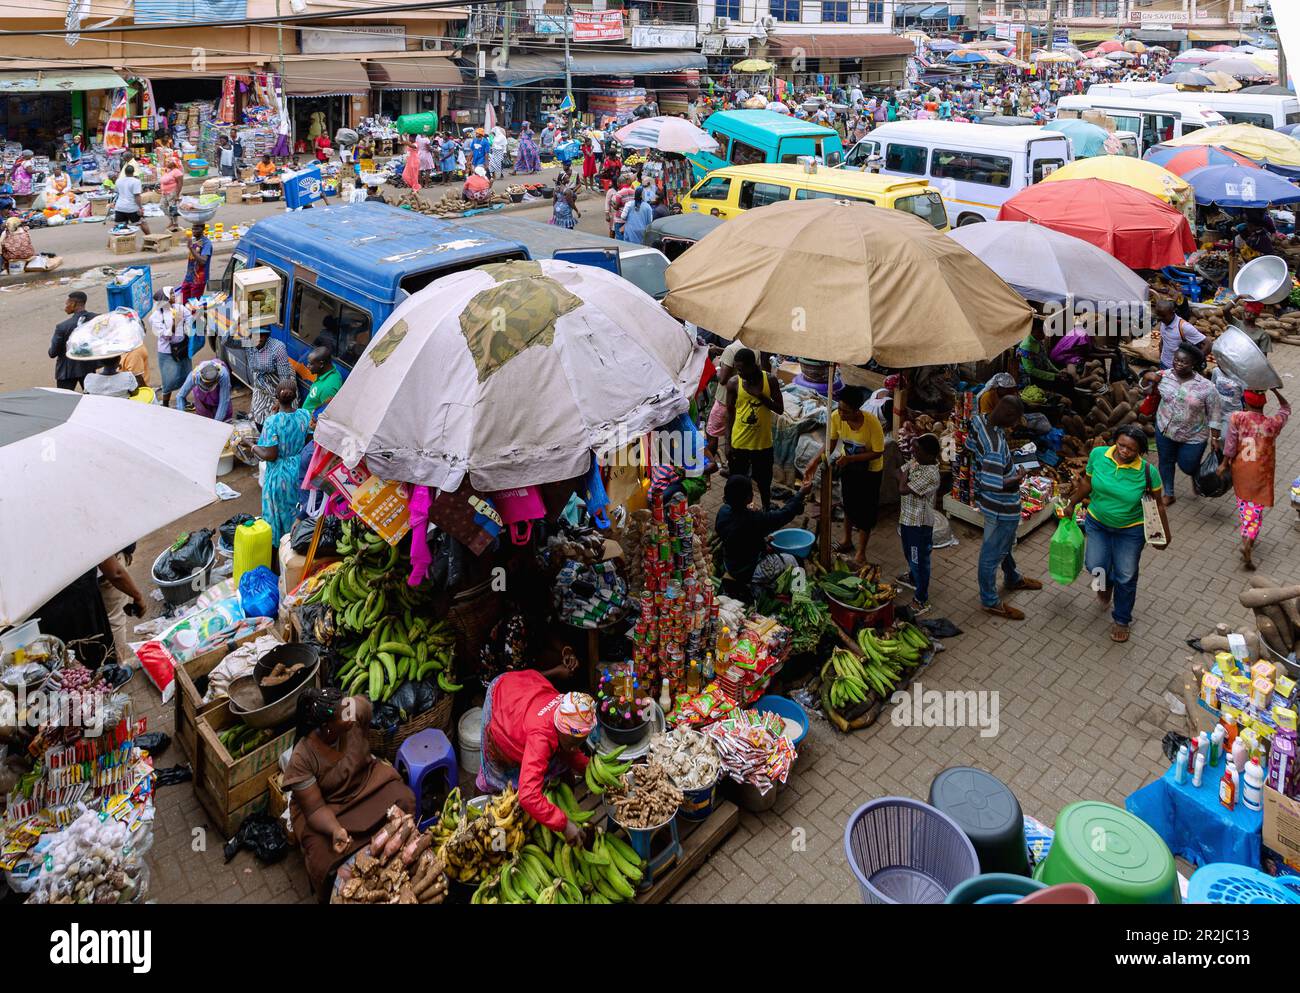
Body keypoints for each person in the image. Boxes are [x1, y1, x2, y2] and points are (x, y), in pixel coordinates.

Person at [282, 688, 416, 898]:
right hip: (329, 808)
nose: (350, 713)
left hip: (366, 783)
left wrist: (354, 704)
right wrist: (335, 830)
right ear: (326, 727)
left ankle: (397, 863)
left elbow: (364, 706)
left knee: (404, 799)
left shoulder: (353, 712)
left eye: (348, 706)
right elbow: (315, 808)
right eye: (344, 714)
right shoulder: (302, 758)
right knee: (324, 859)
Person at [1063, 425, 1171, 643]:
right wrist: (1072, 503)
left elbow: (1158, 505)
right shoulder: (1097, 455)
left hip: (1131, 530)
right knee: (1094, 566)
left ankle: (1122, 619)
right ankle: (1105, 584)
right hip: (1097, 522)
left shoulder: (1148, 473)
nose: (1124, 451)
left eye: (1131, 449)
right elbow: (1088, 483)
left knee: (1126, 574)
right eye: (1121, 445)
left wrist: (1165, 536)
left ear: (1140, 451)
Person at [477, 670, 595, 845]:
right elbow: (528, 795)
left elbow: (570, 751)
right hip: (502, 702)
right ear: (559, 729)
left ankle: (552, 813)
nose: (575, 748)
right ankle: (480, 820)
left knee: (561, 759)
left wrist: (590, 770)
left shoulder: (567, 708)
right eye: (573, 742)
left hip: (522, 691)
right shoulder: (541, 737)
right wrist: (563, 825)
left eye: (580, 742)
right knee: (495, 775)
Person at [969, 396, 1041, 620]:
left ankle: (1012, 578)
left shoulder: (979, 420)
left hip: (992, 502)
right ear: (1008, 416)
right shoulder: (994, 446)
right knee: (991, 554)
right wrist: (1018, 477)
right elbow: (995, 483)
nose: (1015, 425)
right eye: (1015, 420)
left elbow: (969, 447)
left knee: (1004, 544)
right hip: (1000, 506)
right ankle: (990, 601)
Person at [805, 385, 885, 564]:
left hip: (870, 471)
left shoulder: (872, 424)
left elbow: (878, 452)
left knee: (865, 511)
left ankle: (862, 552)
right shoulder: (836, 417)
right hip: (849, 467)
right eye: (839, 408)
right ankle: (847, 539)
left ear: (857, 410)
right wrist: (813, 462)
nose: (841, 413)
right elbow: (830, 445)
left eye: (846, 411)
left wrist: (851, 459)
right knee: (848, 503)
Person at [1142, 343, 1223, 505]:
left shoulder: (1206, 387)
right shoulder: (1163, 376)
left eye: (1184, 362)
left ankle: (1195, 475)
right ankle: (1169, 493)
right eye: (1176, 360)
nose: (1178, 364)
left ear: (1193, 364)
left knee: (1188, 465)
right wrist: (1146, 378)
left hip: (1193, 434)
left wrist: (1215, 438)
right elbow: (1146, 390)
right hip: (1165, 429)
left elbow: (1215, 413)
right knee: (1166, 460)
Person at [1220, 388, 1290, 570]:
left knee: (1246, 509)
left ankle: (1249, 539)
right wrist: (1275, 390)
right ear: (1263, 404)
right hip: (1261, 474)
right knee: (1254, 511)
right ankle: (1248, 541)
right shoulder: (1272, 424)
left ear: (1247, 403)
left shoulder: (1237, 417)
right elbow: (1286, 409)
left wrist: (1224, 463)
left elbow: (1230, 443)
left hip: (1241, 471)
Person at [715, 474, 814, 599]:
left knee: (769, 551)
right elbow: (783, 515)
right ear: (749, 498)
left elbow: (741, 538)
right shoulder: (753, 519)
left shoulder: (723, 512)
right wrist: (801, 493)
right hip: (748, 571)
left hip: (730, 564)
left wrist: (762, 541)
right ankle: (799, 596)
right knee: (795, 560)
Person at [242, 382, 312, 543]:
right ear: (295, 396)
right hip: (300, 470)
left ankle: (279, 552)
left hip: (280, 476)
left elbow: (270, 454)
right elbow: (308, 442)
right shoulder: (305, 415)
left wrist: (251, 445)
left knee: (277, 518)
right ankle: (297, 543)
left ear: (276, 396)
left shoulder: (272, 422)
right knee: (297, 510)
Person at [725, 348, 784, 510]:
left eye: (741, 368)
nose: (739, 372)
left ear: (753, 365)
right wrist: (727, 443)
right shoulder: (734, 383)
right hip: (739, 443)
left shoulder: (770, 380)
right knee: (738, 482)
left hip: (763, 444)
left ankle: (766, 508)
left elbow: (780, 409)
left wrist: (761, 396)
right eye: (737, 368)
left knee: (764, 482)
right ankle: (737, 511)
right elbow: (729, 414)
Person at [897, 433, 942, 614]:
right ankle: (914, 578)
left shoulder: (931, 474)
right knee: (909, 552)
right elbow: (900, 472)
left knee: (919, 560)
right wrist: (905, 474)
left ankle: (921, 599)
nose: (913, 454)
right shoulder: (920, 461)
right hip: (907, 519)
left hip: (919, 524)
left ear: (930, 455)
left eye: (917, 451)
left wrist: (906, 473)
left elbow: (902, 488)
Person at [97, 547, 147, 670]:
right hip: (104, 574)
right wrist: (138, 597)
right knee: (115, 620)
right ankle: (118, 669)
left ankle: (106, 666)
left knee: (100, 620)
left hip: (84, 579)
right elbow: (115, 573)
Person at [244, 330, 293, 427]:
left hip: (278, 388)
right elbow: (227, 341)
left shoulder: (278, 347)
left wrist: (280, 400)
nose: (258, 338)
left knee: (279, 424)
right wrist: (238, 323)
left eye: (261, 335)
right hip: (260, 386)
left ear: (267, 335)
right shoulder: (247, 343)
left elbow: (284, 378)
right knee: (259, 421)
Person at [50, 291, 97, 391]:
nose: (65, 307)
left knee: (64, 402)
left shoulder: (62, 327)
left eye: (67, 304)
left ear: (73, 304)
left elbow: (52, 353)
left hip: (67, 371)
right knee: (94, 400)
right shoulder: (96, 319)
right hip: (89, 367)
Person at [151, 289, 189, 407]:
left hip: (182, 347)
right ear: (165, 299)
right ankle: (165, 403)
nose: (175, 295)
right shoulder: (156, 317)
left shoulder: (179, 308)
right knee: (169, 379)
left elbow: (189, 317)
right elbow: (165, 336)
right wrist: (174, 323)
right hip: (167, 352)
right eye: (171, 294)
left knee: (185, 374)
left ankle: (183, 400)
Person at [1153, 297, 1208, 370]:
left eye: (1163, 316)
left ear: (1172, 312)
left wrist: (1195, 361)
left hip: (1178, 369)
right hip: (1164, 363)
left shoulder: (1184, 327)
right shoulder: (1163, 322)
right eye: (1158, 315)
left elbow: (1208, 344)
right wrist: (1161, 355)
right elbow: (1164, 340)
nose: (1160, 318)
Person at [302, 345, 342, 422]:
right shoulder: (330, 372)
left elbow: (324, 417)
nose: (307, 366)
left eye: (311, 364)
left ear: (321, 364)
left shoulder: (328, 388)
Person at [113, 164, 150, 234]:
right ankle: (151, 239)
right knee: (143, 223)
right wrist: (140, 207)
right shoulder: (136, 181)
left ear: (124, 172)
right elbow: (137, 196)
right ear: (133, 172)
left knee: (118, 227)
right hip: (132, 208)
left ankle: (111, 244)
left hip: (120, 207)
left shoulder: (118, 181)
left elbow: (117, 192)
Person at [180, 222, 211, 301]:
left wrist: (191, 248)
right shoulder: (193, 241)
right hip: (189, 278)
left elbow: (203, 261)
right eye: (193, 228)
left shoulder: (206, 243)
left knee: (193, 306)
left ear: (203, 229)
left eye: (197, 229)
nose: (194, 231)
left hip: (198, 280)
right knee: (185, 304)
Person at [159, 158, 184, 232]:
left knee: (172, 208)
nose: (166, 163)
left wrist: (177, 195)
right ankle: (171, 220)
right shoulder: (168, 171)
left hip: (172, 193)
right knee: (162, 206)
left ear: (173, 164)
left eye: (168, 162)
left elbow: (180, 184)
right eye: (166, 161)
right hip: (165, 193)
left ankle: (175, 223)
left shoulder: (177, 172)